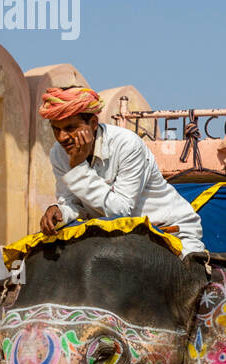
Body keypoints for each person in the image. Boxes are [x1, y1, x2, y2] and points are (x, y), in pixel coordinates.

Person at [38, 86, 205, 255]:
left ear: (93, 123)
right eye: (56, 129)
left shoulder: (127, 145)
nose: (62, 138)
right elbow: (74, 204)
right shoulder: (58, 154)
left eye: (70, 128)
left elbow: (120, 212)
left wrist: (79, 167)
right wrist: (60, 213)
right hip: (118, 239)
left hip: (170, 232)